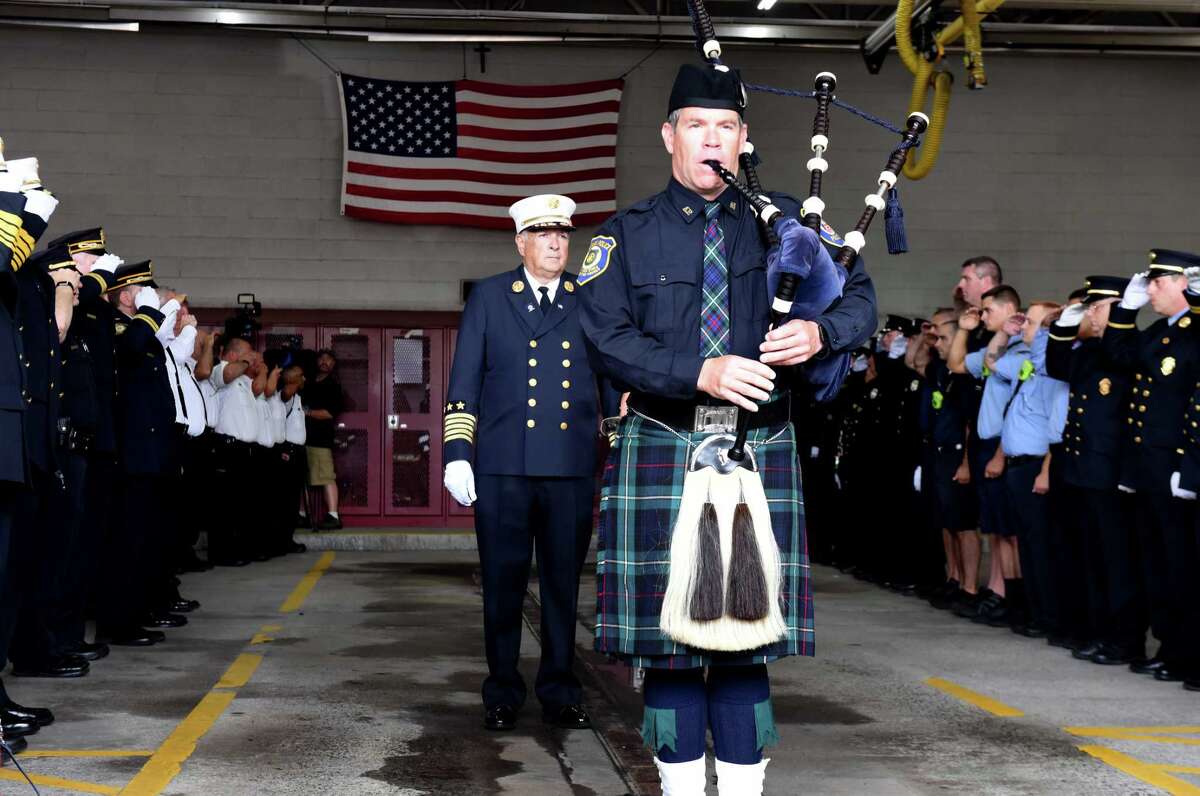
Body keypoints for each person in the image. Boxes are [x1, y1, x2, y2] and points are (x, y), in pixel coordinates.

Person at [576, 63, 876, 795]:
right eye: (696, 126)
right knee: (670, 646)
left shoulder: (793, 225)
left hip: (760, 444)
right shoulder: (625, 236)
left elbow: (860, 300)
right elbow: (605, 339)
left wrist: (819, 332)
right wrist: (698, 372)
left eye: (727, 128)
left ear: (745, 140)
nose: (712, 141)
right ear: (669, 137)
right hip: (663, 441)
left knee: (744, 647)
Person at [442, 193, 598, 733]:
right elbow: (464, 382)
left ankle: (560, 690)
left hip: (570, 467)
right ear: (521, 242)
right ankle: (502, 691)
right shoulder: (489, 296)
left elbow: (608, 381)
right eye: (545, 234)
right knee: (503, 585)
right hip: (503, 468)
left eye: (563, 234)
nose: (557, 243)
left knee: (562, 588)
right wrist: (458, 453)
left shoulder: (588, 297)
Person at [1104, 251, 1200, 687]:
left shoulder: (1194, 331)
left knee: (1181, 567)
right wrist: (1127, 310)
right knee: (1156, 564)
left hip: (1175, 467)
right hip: (1147, 468)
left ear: (1184, 282)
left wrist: (1186, 464)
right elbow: (1118, 356)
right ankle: (1167, 646)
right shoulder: (1160, 333)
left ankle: (1186, 652)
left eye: (1158, 282)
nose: (1151, 290)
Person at [1045, 275, 1145, 665]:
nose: (1093, 314)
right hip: (1083, 469)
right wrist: (1066, 322)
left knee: (1119, 563)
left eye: (1097, 307)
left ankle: (1125, 640)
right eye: (1090, 307)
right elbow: (1056, 365)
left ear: (1118, 307)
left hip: (1113, 473)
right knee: (1094, 559)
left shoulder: (1129, 349)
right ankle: (1100, 632)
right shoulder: (1087, 352)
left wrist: (1121, 318)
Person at [207, 336, 262, 566]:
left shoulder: (244, 381)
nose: (252, 359)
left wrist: (255, 367)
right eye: (247, 354)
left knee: (242, 503)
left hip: (244, 450)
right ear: (232, 355)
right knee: (225, 504)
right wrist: (247, 363)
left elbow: (261, 389)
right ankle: (222, 553)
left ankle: (239, 549)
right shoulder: (220, 369)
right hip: (226, 447)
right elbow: (228, 374)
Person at [302, 349, 345, 530]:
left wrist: (307, 412)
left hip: (320, 439)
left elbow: (328, 413)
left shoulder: (333, 386)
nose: (324, 362)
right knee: (301, 479)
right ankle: (302, 515)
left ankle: (333, 516)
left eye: (329, 359)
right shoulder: (308, 382)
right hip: (300, 438)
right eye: (321, 358)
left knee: (326, 476)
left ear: (334, 364)